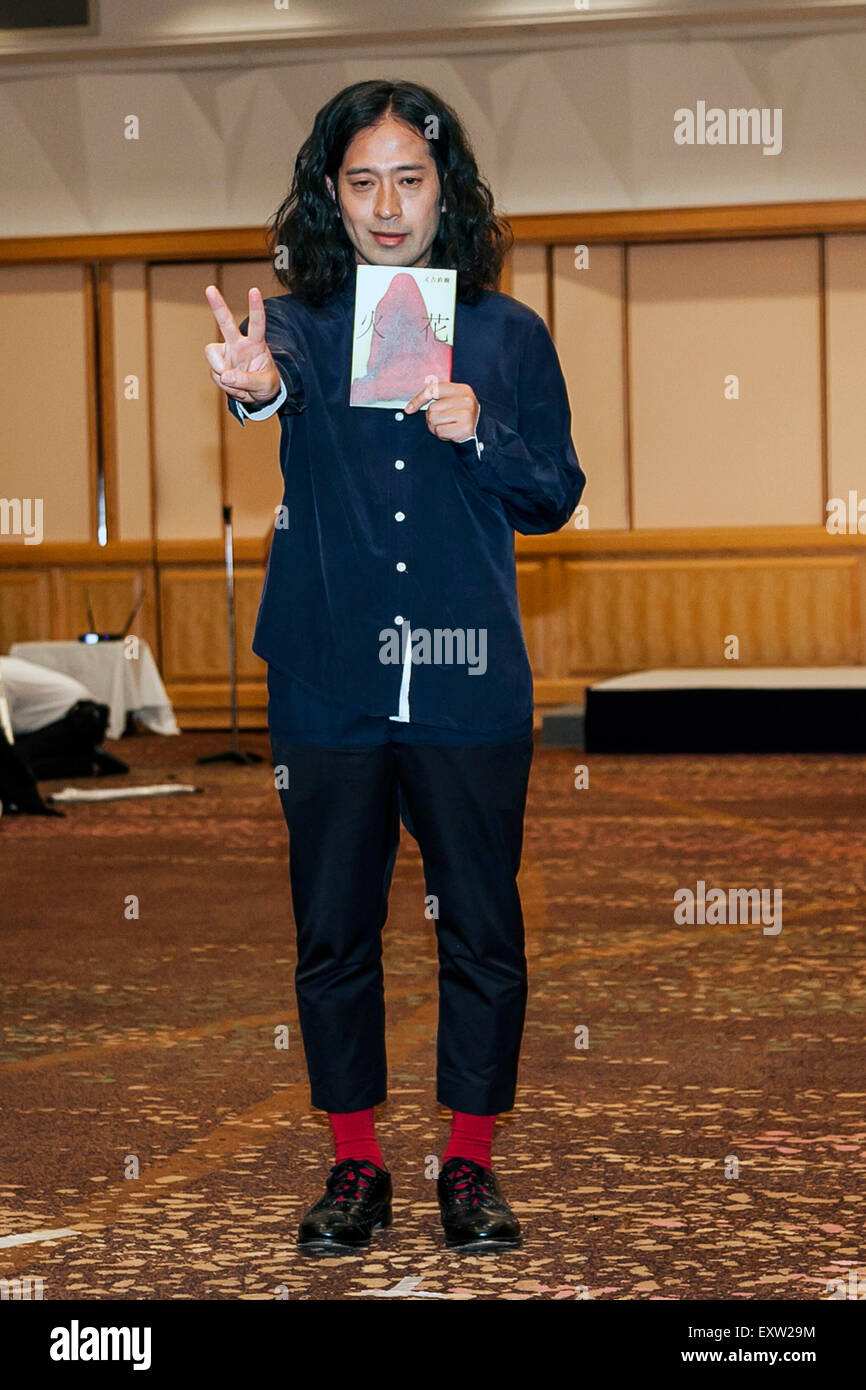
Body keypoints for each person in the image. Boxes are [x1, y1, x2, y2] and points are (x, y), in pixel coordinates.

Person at [204, 79, 585, 1255]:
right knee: (334, 929)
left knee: (481, 929)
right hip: (327, 677)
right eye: (360, 181)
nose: (385, 204)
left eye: (407, 178)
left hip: (466, 679)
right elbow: (282, 390)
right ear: (332, 194)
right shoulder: (302, 324)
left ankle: (467, 1165)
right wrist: (259, 389)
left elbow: (553, 497)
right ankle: (354, 1164)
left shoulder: (510, 335)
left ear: (443, 190)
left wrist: (486, 429)